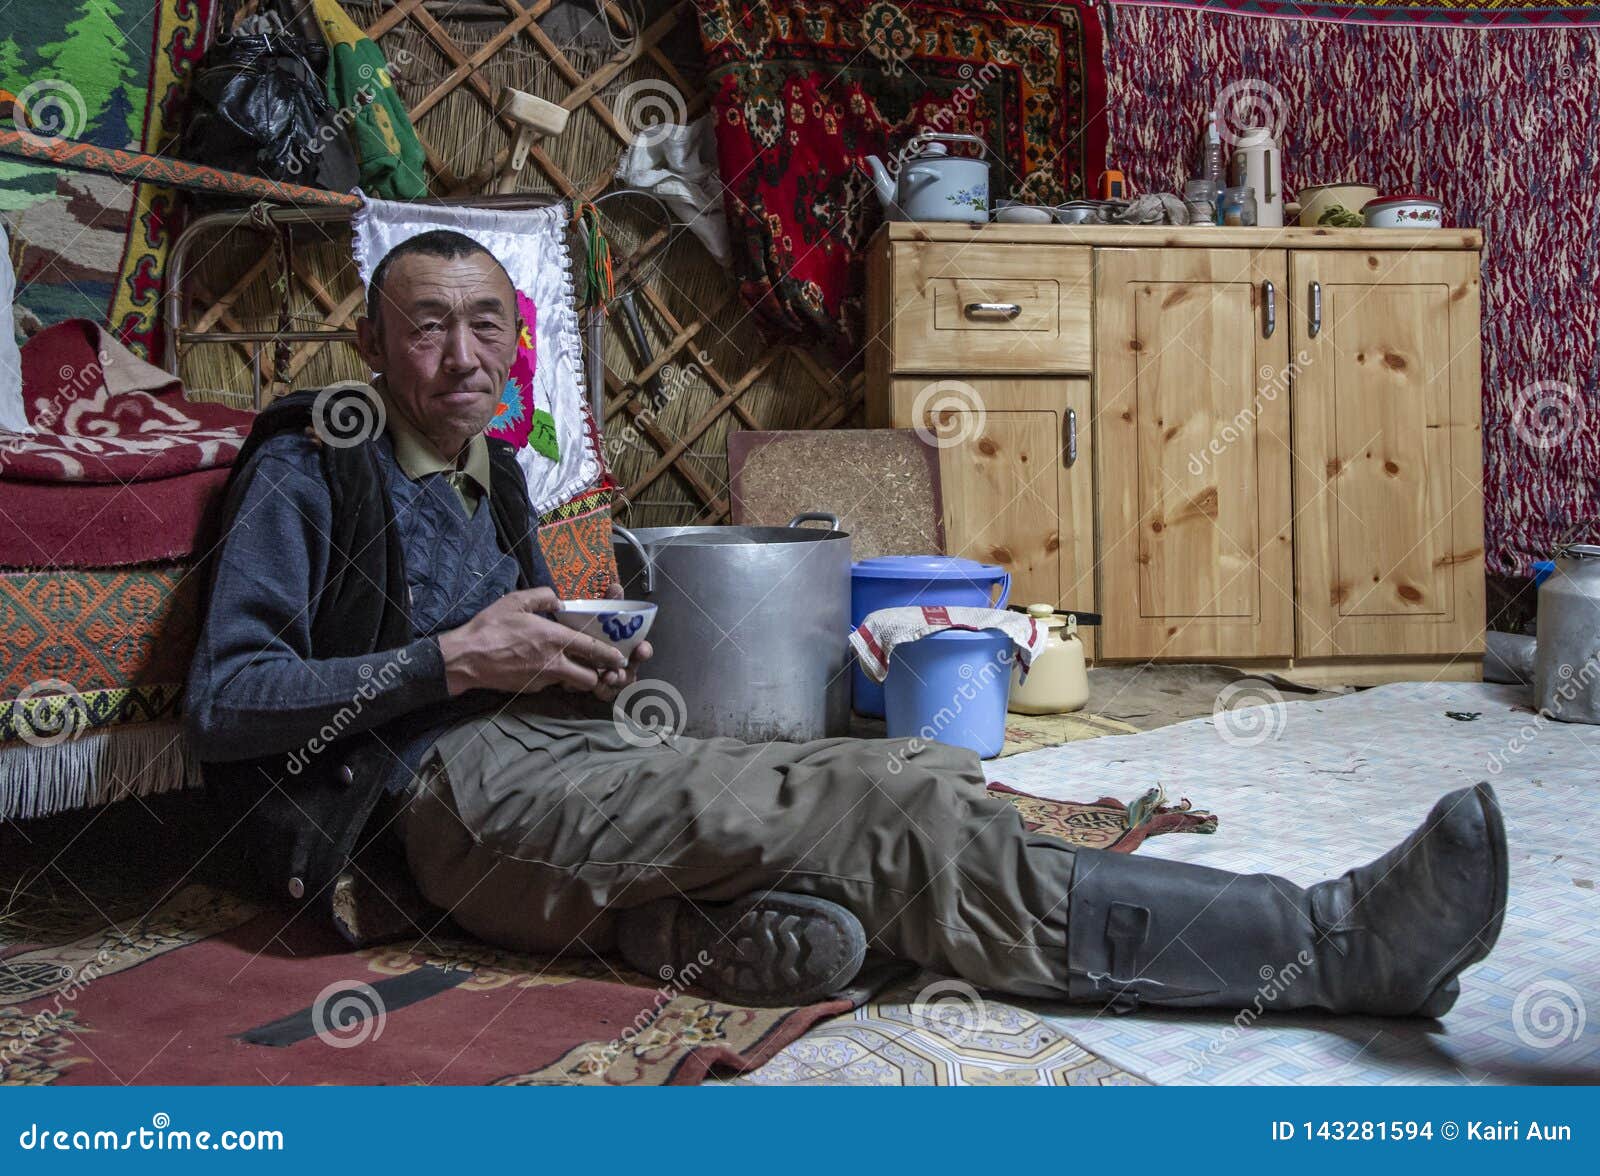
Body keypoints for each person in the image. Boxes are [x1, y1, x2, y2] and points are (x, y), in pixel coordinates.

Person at [187, 229, 1507, 1018]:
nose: (464, 357)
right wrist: (450, 659)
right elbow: (226, 700)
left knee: (912, 768)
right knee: (900, 818)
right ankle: (1332, 948)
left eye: (488, 326)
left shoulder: (499, 476)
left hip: (562, 761)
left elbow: (520, 647)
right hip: (430, 810)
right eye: (428, 329)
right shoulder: (313, 470)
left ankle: (695, 938)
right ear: (374, 345)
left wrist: (586, 660)